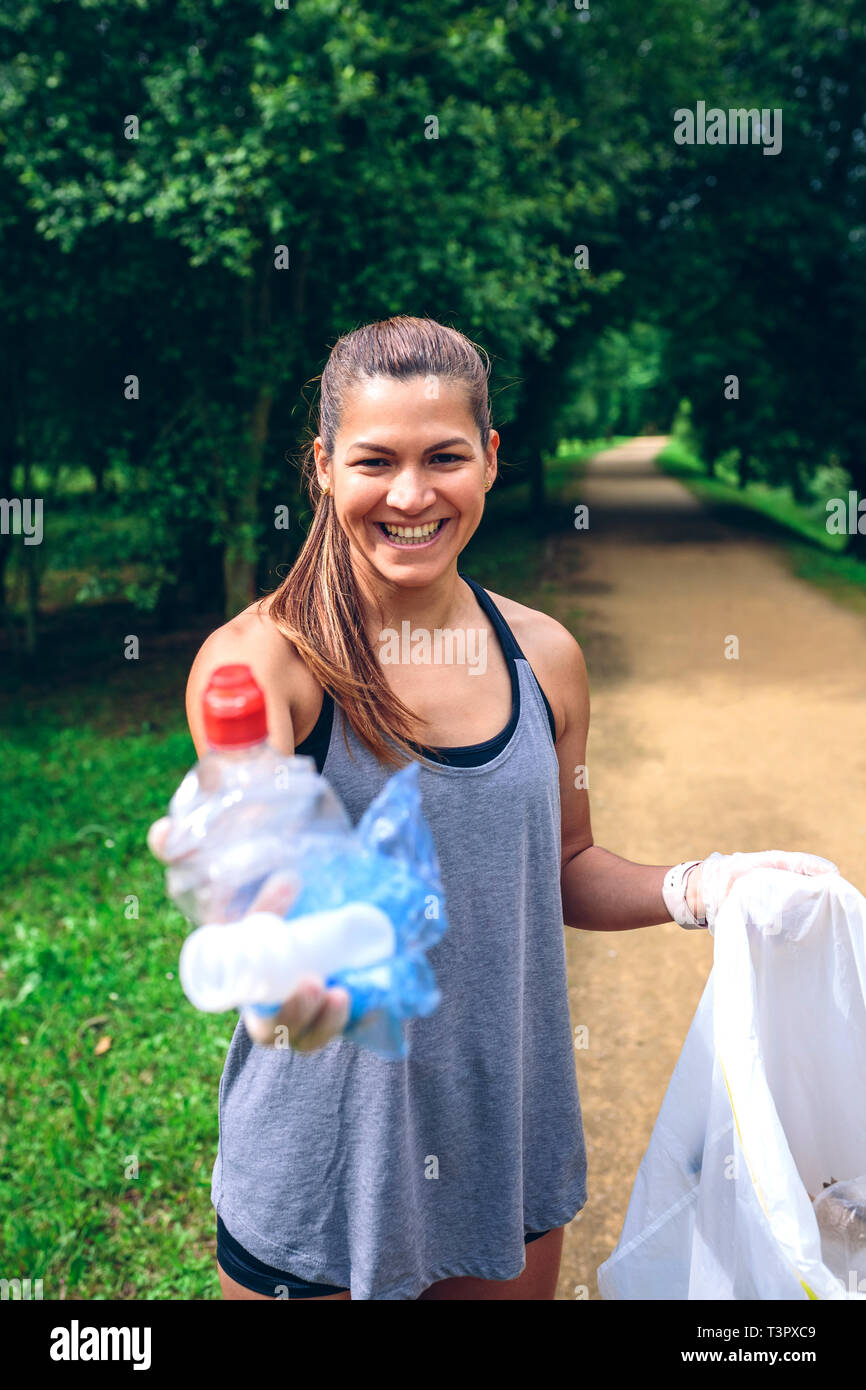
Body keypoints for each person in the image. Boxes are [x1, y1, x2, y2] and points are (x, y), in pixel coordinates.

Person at [149, 315, 837, 1301]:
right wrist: (276, 959)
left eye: (444, 457)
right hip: (322, 1176)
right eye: (373, 460)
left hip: (501, 1149)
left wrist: (705, 884)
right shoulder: (264, 661)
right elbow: (250, 856)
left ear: (490, 459)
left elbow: (561, 864)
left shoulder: (544, 657)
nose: (411, 494)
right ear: (322, 466)